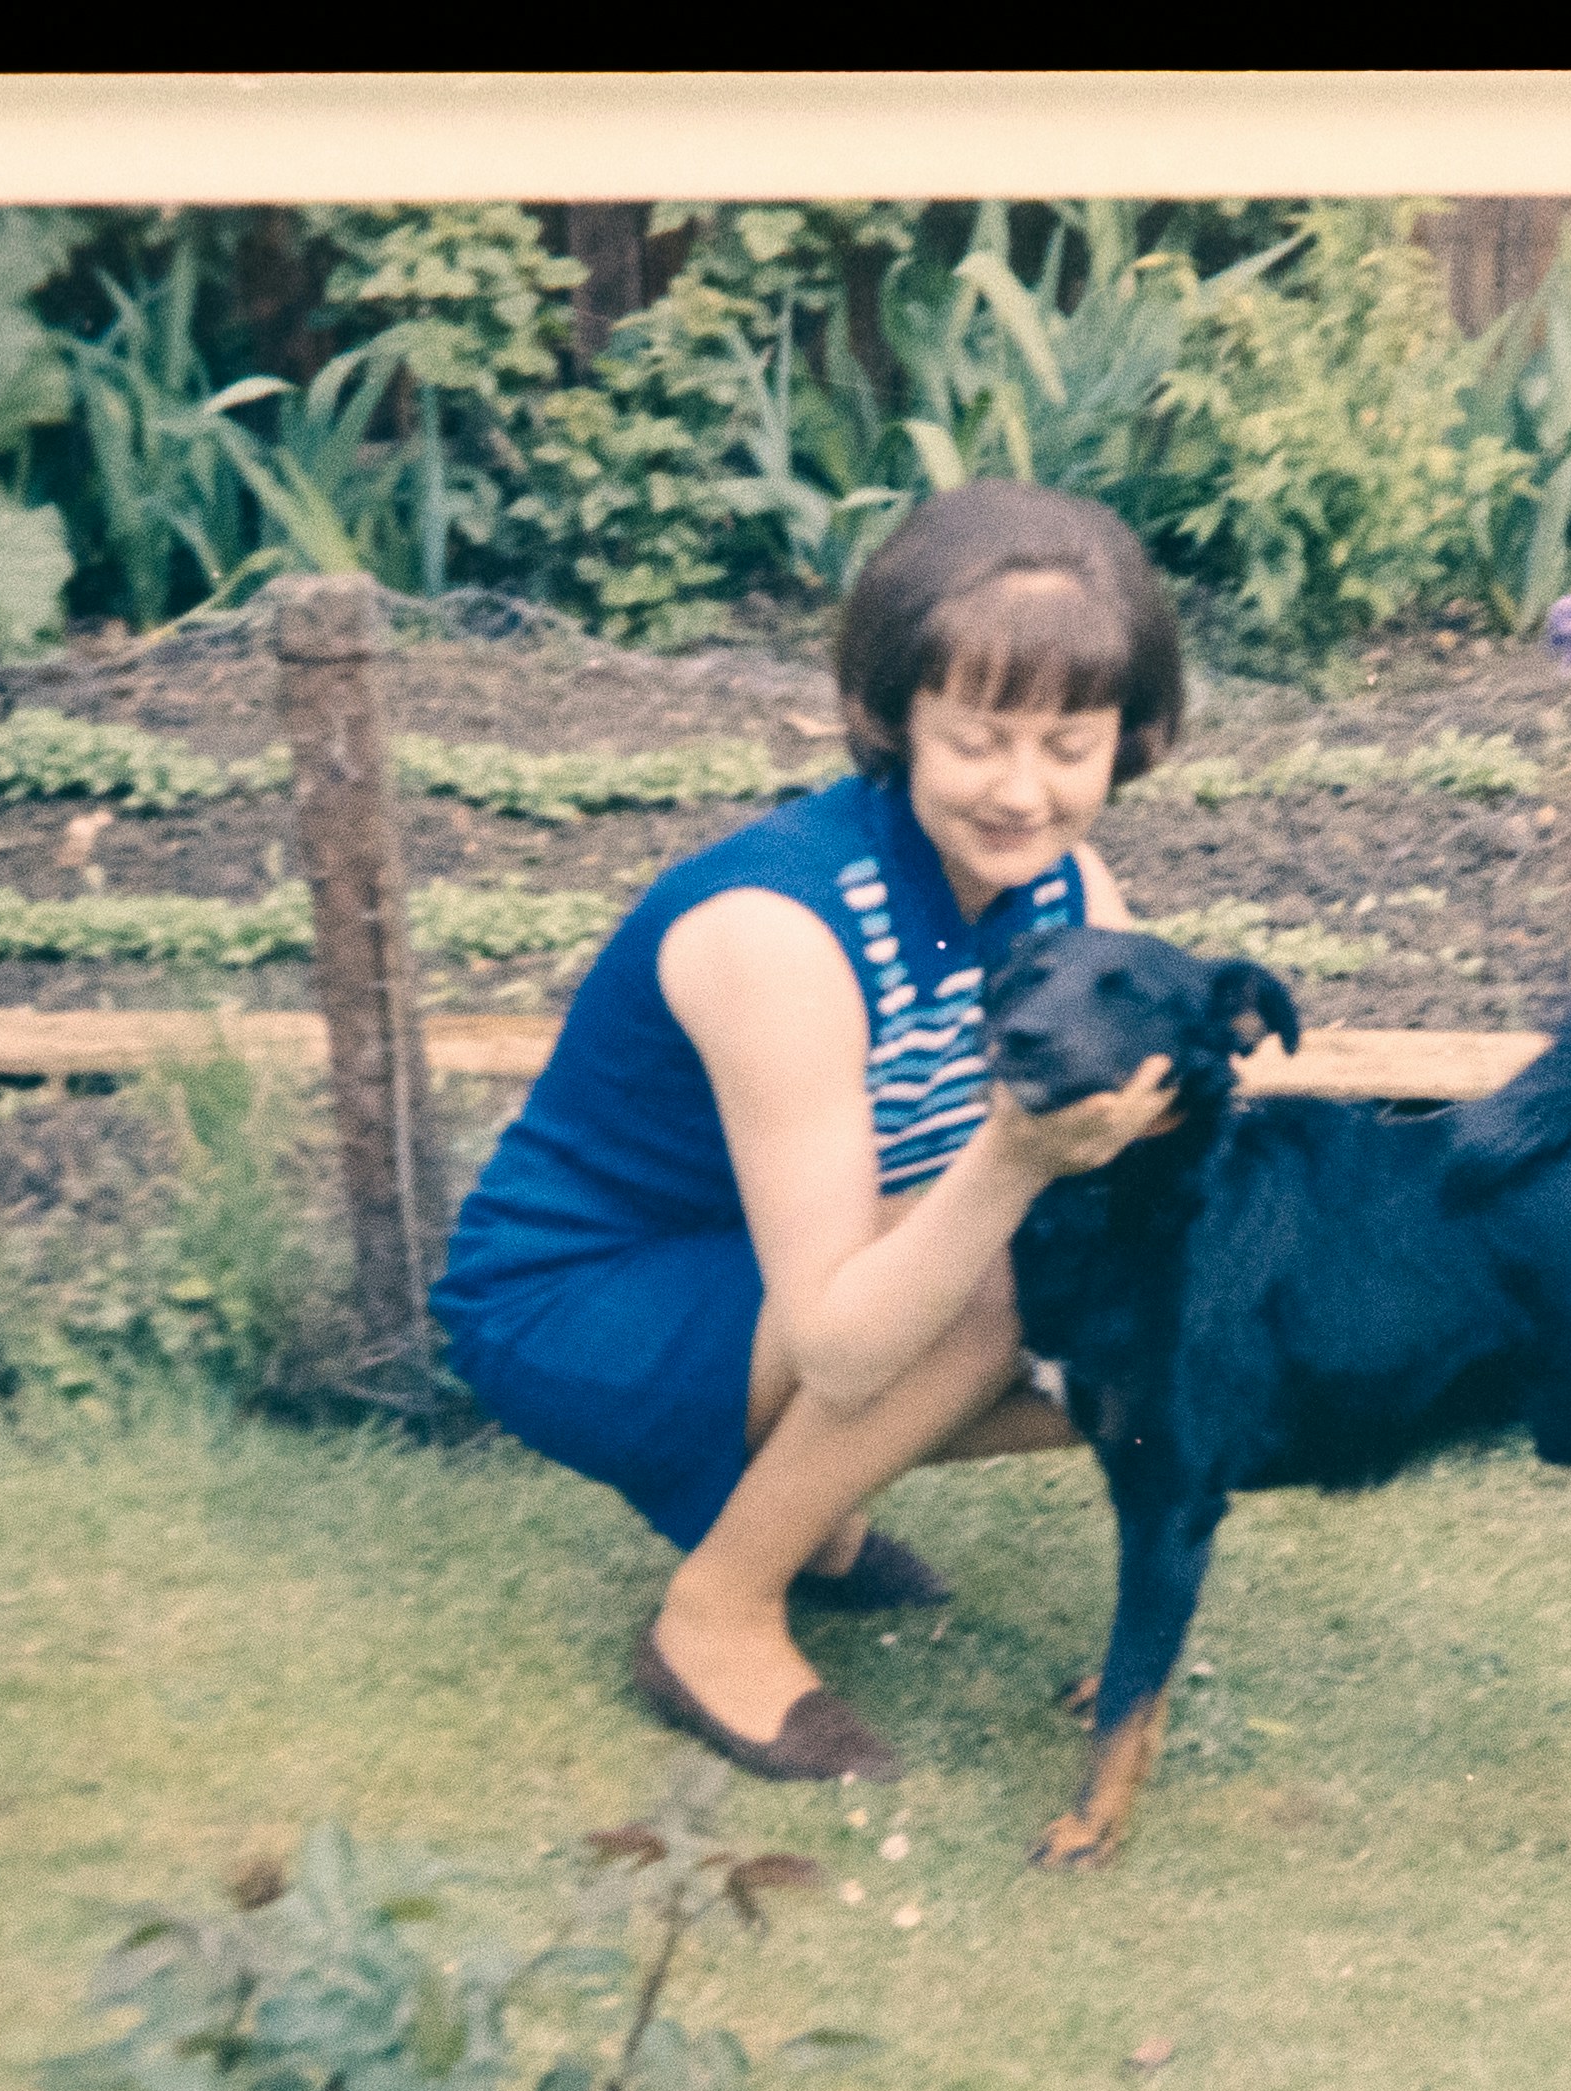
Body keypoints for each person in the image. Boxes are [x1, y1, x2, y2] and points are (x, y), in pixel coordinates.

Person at [430, 481, 1204, 1782]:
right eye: (979, 739)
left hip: (773, 1262)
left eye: (1069, 745)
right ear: (890, 717)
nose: (1024, 790)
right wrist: (1017, 1159)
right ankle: (717, 1614)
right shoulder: (778, 931)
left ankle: (811, 1512)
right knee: (1008, 1267)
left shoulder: (1067, 885)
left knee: (1153, 1316)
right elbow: (844, 1347)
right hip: (574, 1301)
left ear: (1131, 736)